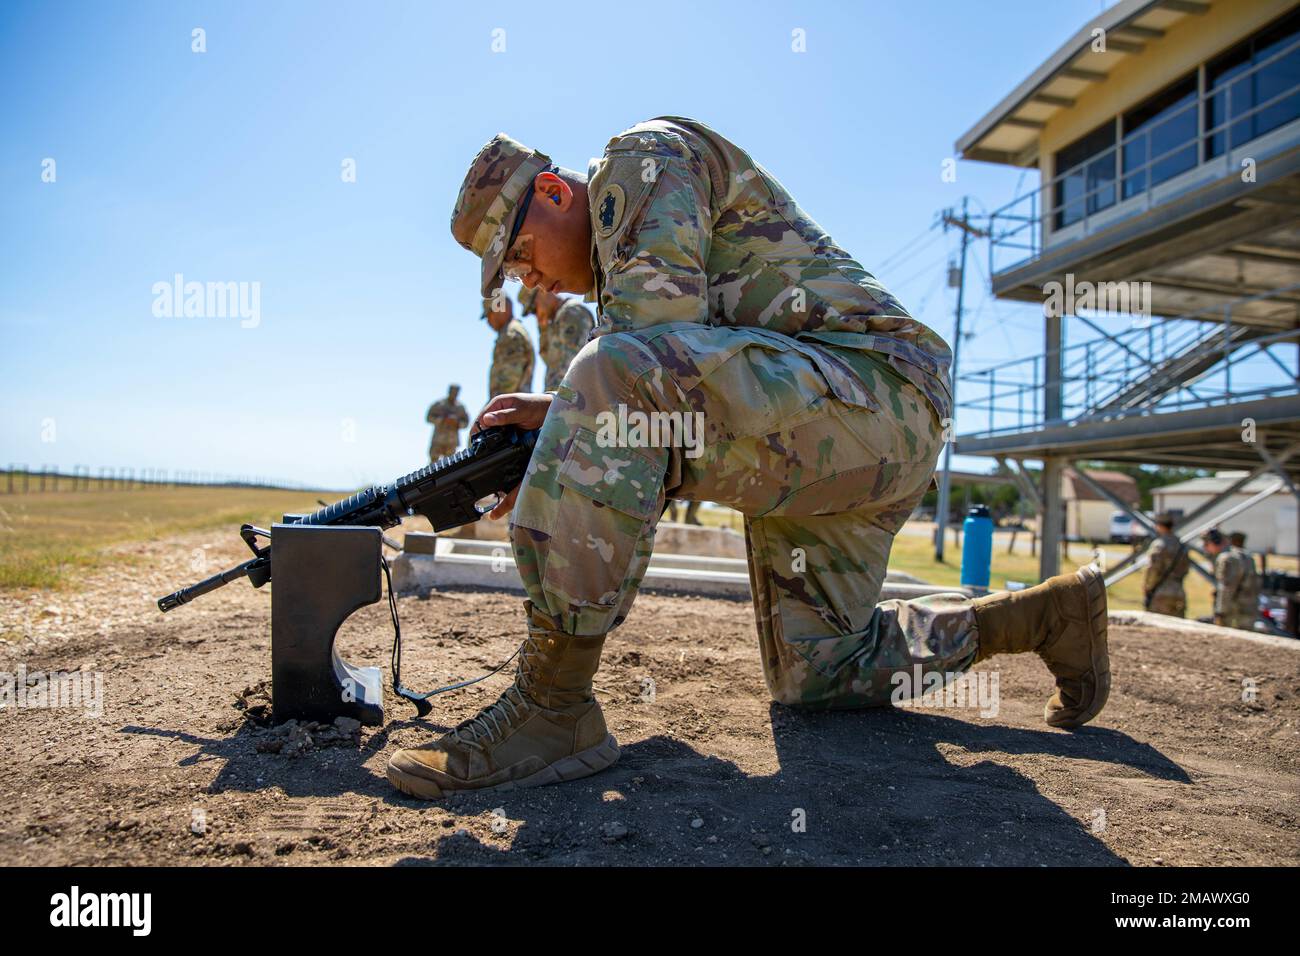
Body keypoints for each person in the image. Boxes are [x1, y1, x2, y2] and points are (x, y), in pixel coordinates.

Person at [384, 117, 1111, 800]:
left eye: (519, 253)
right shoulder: (619, 277)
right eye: (511, 276)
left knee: (611, 375)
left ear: (552, 191)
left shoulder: (639, 160)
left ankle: (552, 706)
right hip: (833, 438)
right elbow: (651, 389)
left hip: (878, 395)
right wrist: (562, 435)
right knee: (819, 674)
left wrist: (566, 442)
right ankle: (1040, 618)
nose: (528, 280)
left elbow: (638, 376)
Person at [518, 284, 594, 392]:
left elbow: (566, 367)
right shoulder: (556, 321)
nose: (537, 314)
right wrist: (543, 331)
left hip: (575, 399)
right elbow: (550, 362)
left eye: (534, 308)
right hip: (565, 399)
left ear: (542, 292)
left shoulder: (571, 313)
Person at [1203, 529, 1258, 630]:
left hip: (1233, 612)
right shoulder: (1245, 555)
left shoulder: (1226, 558)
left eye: (1206, 545)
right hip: (1249, 608)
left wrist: (1220, 612)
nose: (1206, 549)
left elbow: (1226, 588)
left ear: (1212, 544)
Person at [484, 293, 535, 397]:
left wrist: (493, 407)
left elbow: (508, 382)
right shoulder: (513, 331)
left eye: (489, 313)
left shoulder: (510, 334)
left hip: (508, 406)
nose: (488, 321)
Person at [1142, 513, 1189, 617]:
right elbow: (1185, 569)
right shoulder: (1181, 546)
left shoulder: (1159, 545)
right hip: (1179, 592)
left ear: (1160, 526)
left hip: (1160, 594)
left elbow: (1152, 569)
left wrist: (1147, 587)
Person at [425, 384, 469, 461]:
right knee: (433, 463)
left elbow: (466, 423)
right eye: (453, 392)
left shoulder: (460, 407)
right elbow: (428, 418)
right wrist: (441, 419)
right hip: (438, 440)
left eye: (456, 392)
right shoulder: (439, 404)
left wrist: (456, 422)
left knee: (449, 464)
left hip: (452, 442)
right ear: (449, 391)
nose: (454, 394)